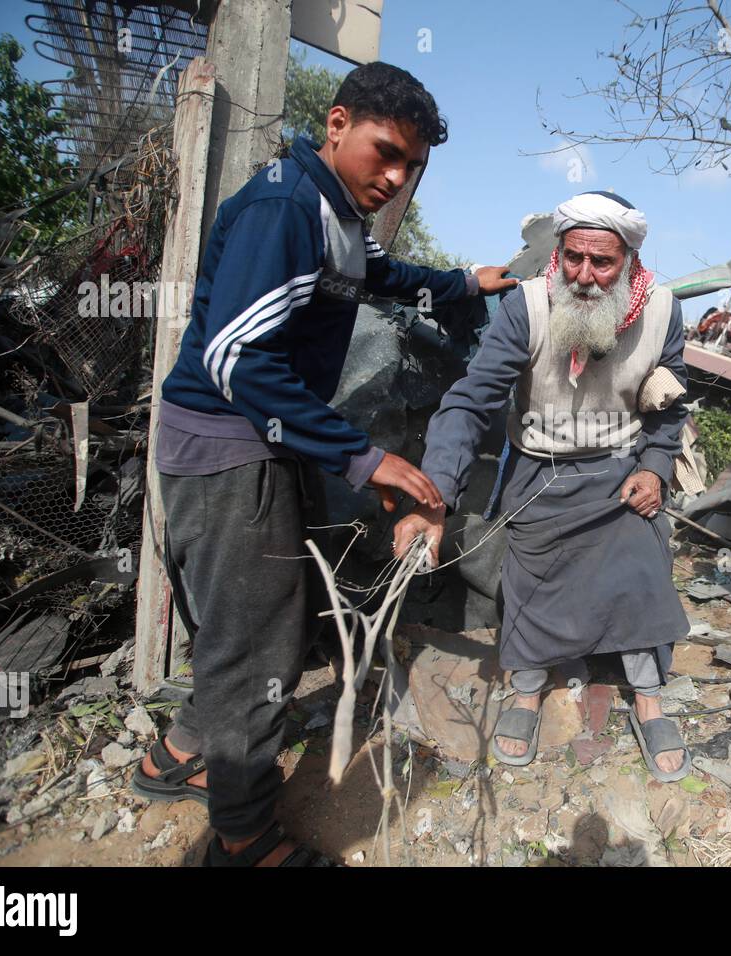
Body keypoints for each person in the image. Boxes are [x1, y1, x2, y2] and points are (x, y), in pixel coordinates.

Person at [130, 62, 517, 866]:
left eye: (410, 165)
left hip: (263, 440)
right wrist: (362, 455)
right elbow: (237, 358)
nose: (396, 176)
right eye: (385, 152)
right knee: (257, 641)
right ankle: (242, 837)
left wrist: (461, 283)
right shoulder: (285, 207)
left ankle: (173, 758)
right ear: (336, 124)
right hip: (229, 446)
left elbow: (379, 275)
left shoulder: (334, 213)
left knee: (253, 619)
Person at [393, 191, 694, 781]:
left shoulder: (662, 311)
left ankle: (650, 697)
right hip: (542, 473)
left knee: (641, 568)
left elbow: (669, 404)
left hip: (620, 471)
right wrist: (435, 498)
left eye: (601, 263)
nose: (583, 276)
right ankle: (527, 691)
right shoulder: (527, 306)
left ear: (629, 260)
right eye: (573, 257)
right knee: (531, 580)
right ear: (559, 250)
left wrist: (655, 467)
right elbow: (473, 399)